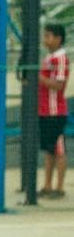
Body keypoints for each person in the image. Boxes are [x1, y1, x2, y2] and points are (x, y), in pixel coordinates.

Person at [38, 23, 69, 199]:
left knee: (58, 149)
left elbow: (58, 85)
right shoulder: (48, 58)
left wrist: (39, 78)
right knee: (49, 150)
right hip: (44, 110)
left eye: (48, 36)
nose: (45, 40)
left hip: (55, 111)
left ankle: (60, 187)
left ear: (58, 39)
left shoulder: (60, 59)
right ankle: (47, 185)